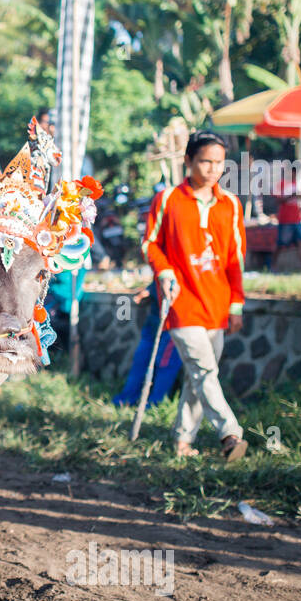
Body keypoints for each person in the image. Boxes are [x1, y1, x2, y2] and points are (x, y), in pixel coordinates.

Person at [143, 130, 248, 462]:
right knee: (204, 370)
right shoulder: (168, 199)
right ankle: (230, 434)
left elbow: (236, 258)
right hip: (181, 301)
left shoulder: (230, 204)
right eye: (205, 161)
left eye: (219, 163)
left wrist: (236, 304)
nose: (213, 169)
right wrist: (164, 270)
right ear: (188, 161)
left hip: (217, 303)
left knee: (198, 375)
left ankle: (182, 441)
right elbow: (150, 243)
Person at [111, 280, 182, 408]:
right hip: (155, 318)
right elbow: (161, 275)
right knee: (141, 359)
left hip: (173, 322)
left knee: (165, 364)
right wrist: (150, 290)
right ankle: (128, 398)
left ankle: (155, 404)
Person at [271, 176, 301, 271]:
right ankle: (273, 266)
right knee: (280, 244)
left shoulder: (297, 184)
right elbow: (277, 200)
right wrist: (292, 195)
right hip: (285, 219)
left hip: (297, 219)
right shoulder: (281, 184)